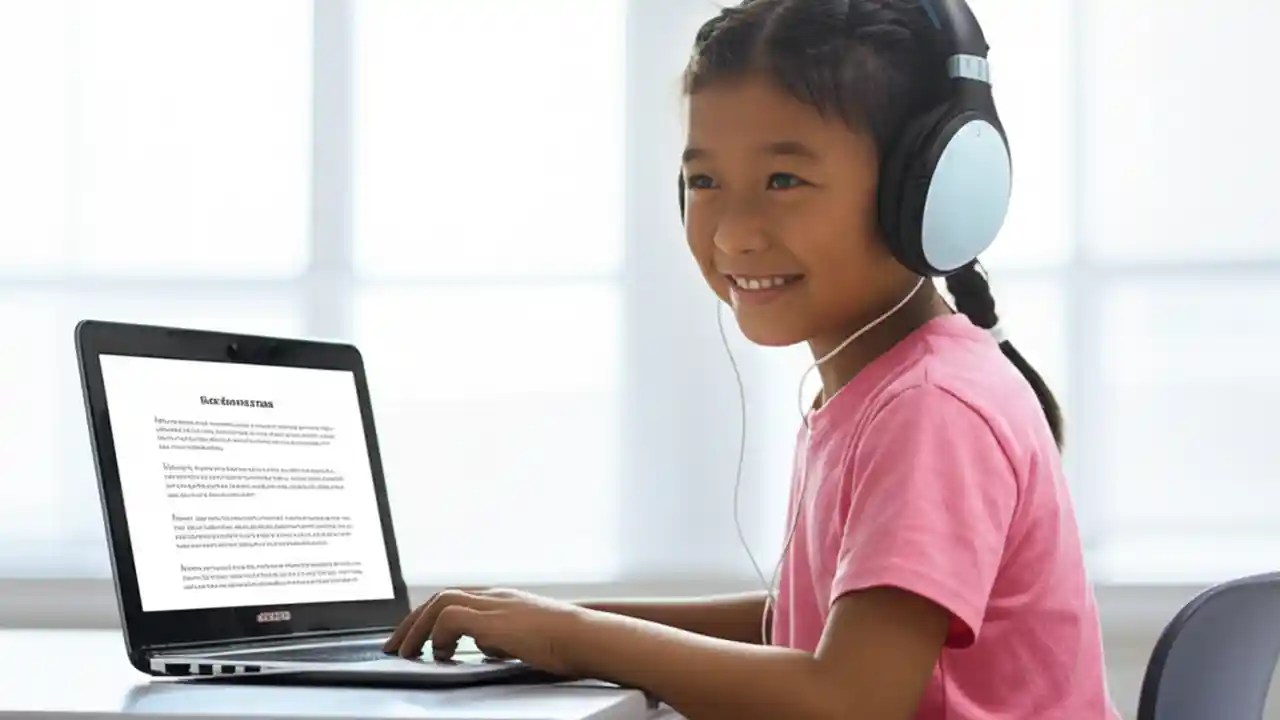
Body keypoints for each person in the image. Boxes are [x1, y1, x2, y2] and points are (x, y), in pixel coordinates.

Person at [384, 1, 1120, 717]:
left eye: (783, 181)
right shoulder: (887, 387)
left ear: (924, 190)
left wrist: (576, 637)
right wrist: (555, 621)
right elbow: (803, 622)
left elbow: (849, 700)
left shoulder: (931, 405)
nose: (733, 233)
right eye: (704, 181)